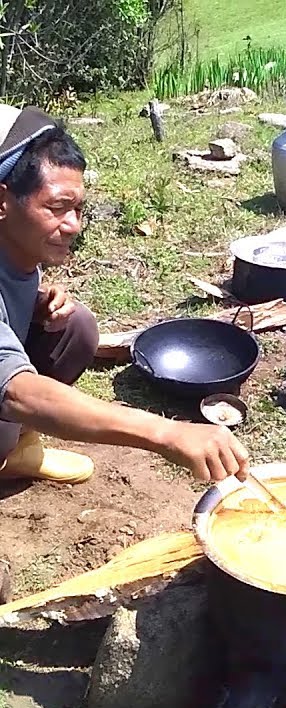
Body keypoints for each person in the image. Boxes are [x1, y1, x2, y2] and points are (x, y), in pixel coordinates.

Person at [0, 106, 250, 492]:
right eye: (57, 207)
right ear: (3, 201)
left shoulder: (17, 251)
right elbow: (17, 392)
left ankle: (14, 450)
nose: (73, 226)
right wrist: (166, 433)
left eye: (78, 209)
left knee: (75, 327)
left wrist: (33, 304)